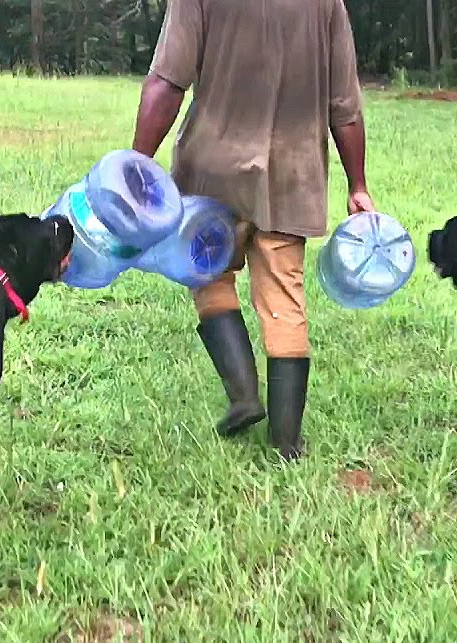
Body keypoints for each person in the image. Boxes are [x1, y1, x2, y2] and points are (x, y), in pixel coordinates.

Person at [132, 0, 374, 460]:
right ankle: (286, 442)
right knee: (285, 294)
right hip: (294, 174)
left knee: (209, 273)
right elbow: (345, 107)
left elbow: (167, 82)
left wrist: (137, 165)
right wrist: (357, 184)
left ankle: (243, 395)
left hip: (212, 171)